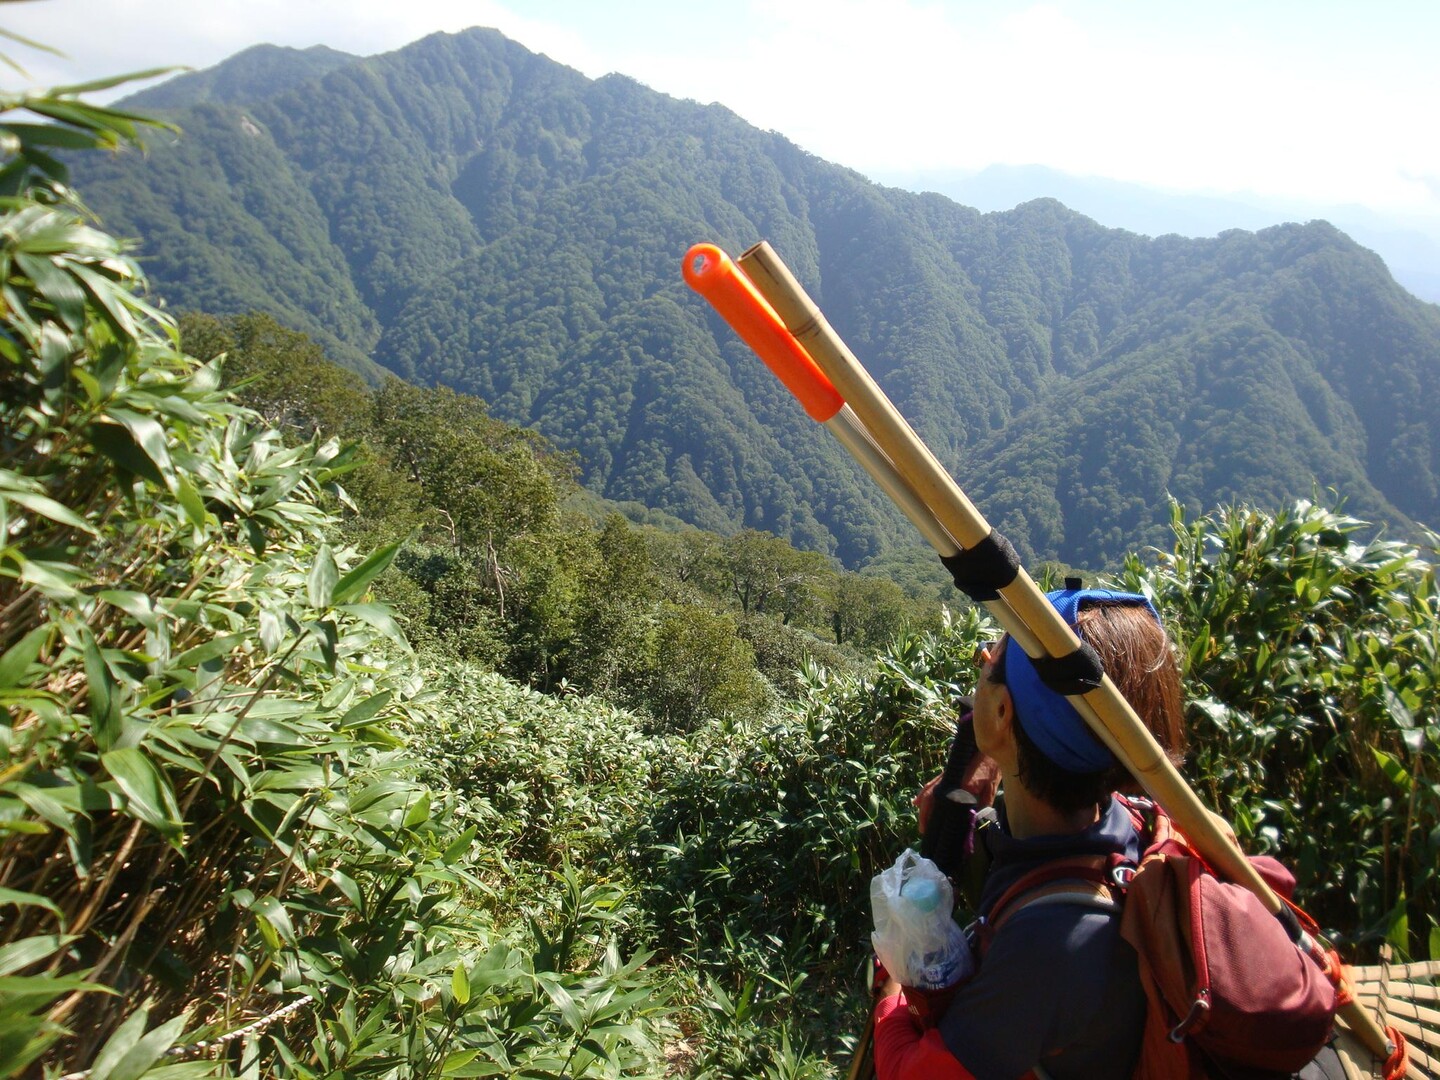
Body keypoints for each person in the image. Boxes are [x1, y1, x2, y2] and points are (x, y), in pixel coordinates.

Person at [873, 586, 1187, 1080]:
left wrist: (893, 982)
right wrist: (990, 756)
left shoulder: (1050, 946)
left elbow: (909, 1072)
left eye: (987, 661)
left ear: (1003, 713)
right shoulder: (1131, 819)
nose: (980, 666)